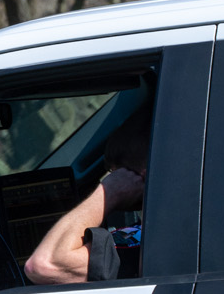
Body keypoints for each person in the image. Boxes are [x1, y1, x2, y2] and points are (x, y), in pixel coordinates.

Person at [25, 109, 151, 284]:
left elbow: (45, 264)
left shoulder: (147, 246)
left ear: (141, 177)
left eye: (115, 174)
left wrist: (109, 190)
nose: (111, 178)